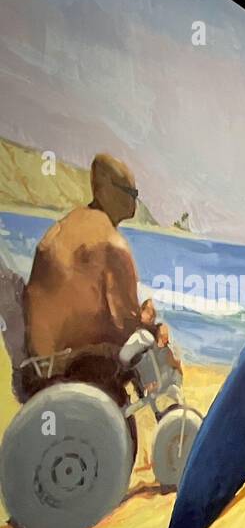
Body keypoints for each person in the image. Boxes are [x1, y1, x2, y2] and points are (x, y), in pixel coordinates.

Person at [22, 153, 146, 403]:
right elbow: (127, 327)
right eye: (130, 193)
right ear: (104, 189)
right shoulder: (113, 244)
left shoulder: (58, 231)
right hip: (80, 375)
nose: (135, 202)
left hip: (36, 372)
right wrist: (150, 320)